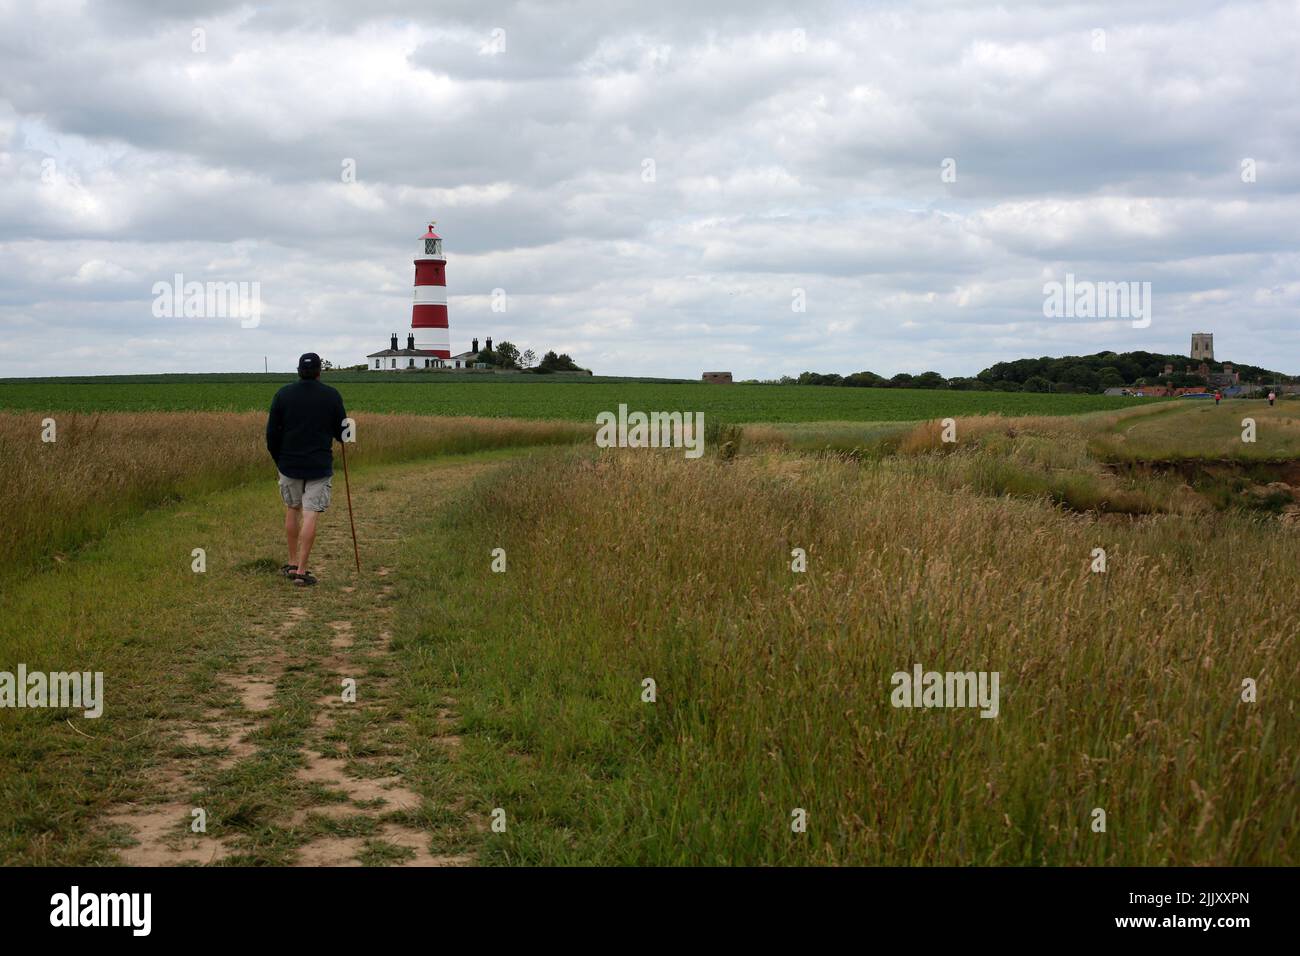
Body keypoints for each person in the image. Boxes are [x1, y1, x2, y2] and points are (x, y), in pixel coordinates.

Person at [265, 353, 347, 587]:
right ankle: (301, 571)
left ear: (299, 370)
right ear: (320, 371)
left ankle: (291, 563)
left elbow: (271, 433)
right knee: (311, 513)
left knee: (292, 509)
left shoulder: (283, 394)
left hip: (288, 463)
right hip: (319, 465)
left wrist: (278, 459)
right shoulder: (331, 395)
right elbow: (342, 433)